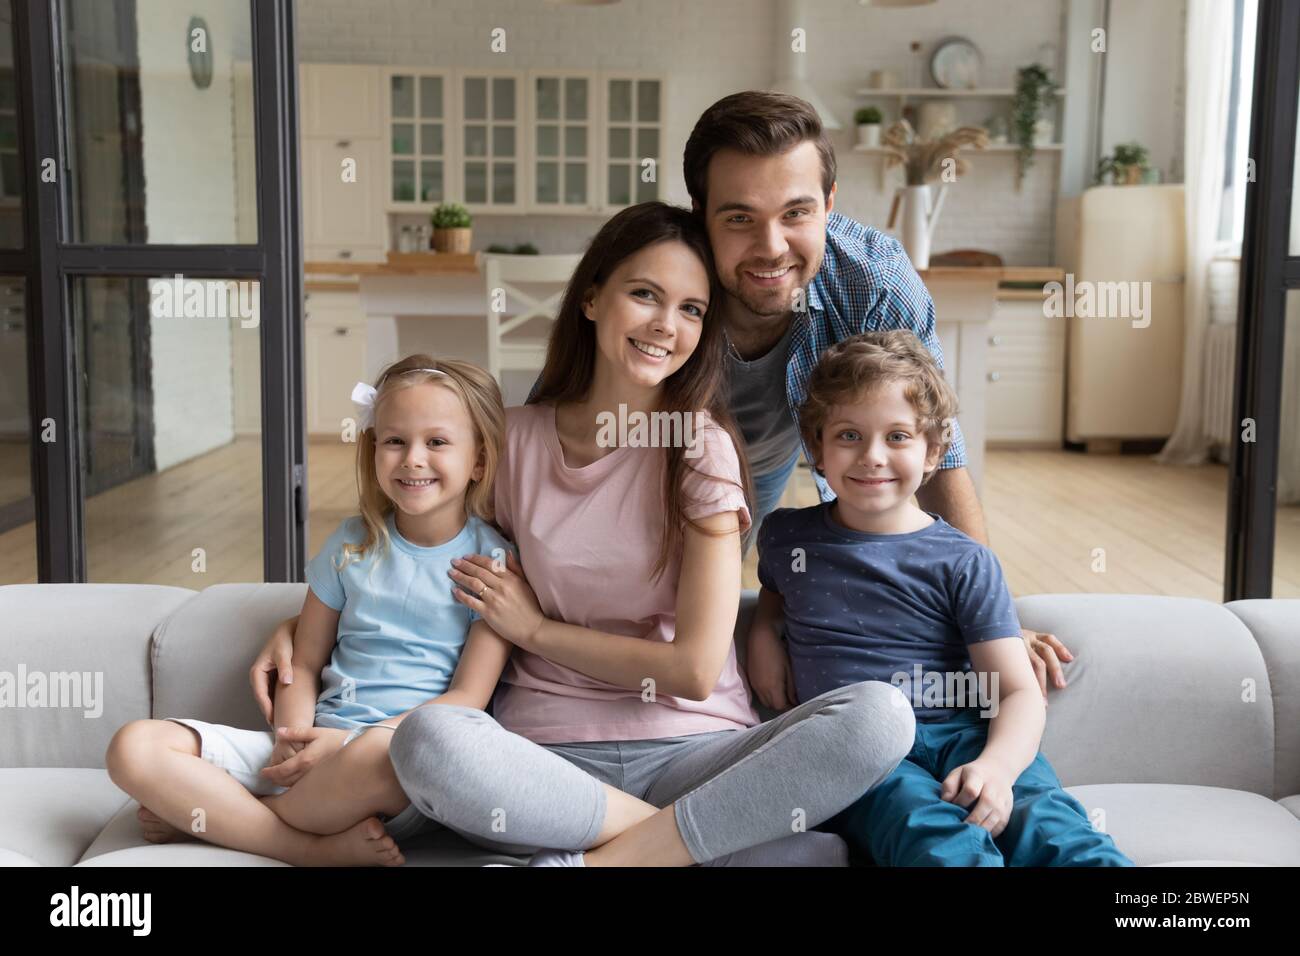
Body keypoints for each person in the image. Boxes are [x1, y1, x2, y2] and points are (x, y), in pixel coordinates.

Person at [256, 202, 916, 867]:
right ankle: (685, 845)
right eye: (645, 294)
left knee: (880, 717)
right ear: (594, 298)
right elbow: (416, 543)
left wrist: (538, 632)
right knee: (428, 739)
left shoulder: (700, 450)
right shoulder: (511, 440)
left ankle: (604, 863)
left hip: (694, 751)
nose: (666, 324)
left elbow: (691, 671)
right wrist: (303, 624)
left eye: (691, 309)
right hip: (535, 765)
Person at [677, 90, 1075, 690]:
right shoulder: (661, 274)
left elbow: (938, 452)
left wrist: (994, 623)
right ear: (699, 213)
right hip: (674, 452)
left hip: (784, 436)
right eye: (739, 218)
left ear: (829, 205)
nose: (771, 247)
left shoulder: (874, 282)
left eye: (796, 213)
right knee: (683, 602)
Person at [105, 356, 514, 866]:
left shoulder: (492, 563)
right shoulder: (350, 544)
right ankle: (304, 847)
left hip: (396, 765)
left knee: (372, 759)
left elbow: (466, 700)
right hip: (311, 751)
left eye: (436, 442)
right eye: (394, 440)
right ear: (373, 449)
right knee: (133, 746)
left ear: (478, 460)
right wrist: (291, 741)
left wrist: (349, 742)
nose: (412, 458)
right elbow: (300, 662)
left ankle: (217, 815)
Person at [747, 331, 1132, 866]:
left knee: (1054, 831)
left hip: (965, 732)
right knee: (930, 837)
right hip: (861, 752)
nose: (873, 457)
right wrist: (765, 633)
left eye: (898, 436)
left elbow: (1018, 692)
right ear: (816, 446)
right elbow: (775, 592)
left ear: (933, 450)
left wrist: (997, 768)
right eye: (849, 435)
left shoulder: (964, 560)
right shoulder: (787, 536)